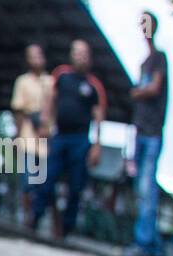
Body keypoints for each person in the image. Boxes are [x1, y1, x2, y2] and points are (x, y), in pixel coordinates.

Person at [31, 40, 106, 239]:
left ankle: (66, 228)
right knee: (47, 177)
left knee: (76, 185)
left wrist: (97, 145)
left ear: (89, 58)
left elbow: (98, 116)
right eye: (77, 52)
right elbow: (50, 100)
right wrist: (45, 122)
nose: (80, 56)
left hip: (80, 140)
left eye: (84, 53)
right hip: (60, 136)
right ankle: (36, 217)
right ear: (71, 55)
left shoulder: (94, 85)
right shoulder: (61, 75)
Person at [125, 11, 169, 256]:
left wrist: (136, 92)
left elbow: (153, 89)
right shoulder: (144, 63)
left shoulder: (158, 59)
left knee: (146, 188)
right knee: (141, 191)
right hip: (140, 131)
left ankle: (144, 245)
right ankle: (149, 247)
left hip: (152, 133)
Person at [10, 44, 56, 231]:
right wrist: (18, 135)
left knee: (43, 181)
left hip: (46, 138)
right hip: (28, 135)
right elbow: (19, 111)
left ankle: (38, 218)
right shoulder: (23, 81)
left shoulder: (52, 82)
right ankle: (26, 217)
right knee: (27, 180)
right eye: (32, 56)